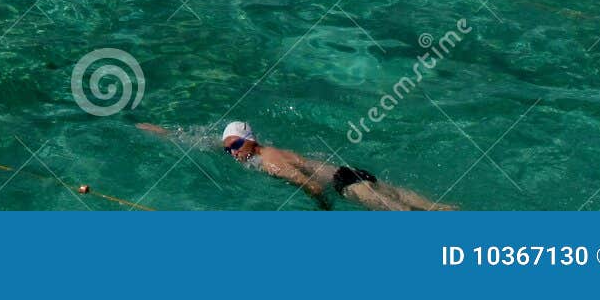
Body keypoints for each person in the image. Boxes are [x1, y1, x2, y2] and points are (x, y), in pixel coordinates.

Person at [137, 120, 453, 210]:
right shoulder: (259, 151)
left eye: (234, 146)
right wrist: (163, 133)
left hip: (345, 185)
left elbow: (310, 184)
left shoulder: (269, 162)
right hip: (349, 171)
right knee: (430, 207)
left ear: (250, 141)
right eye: (227, 148)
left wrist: (323, 207)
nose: (231, 153)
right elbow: (203, 141)